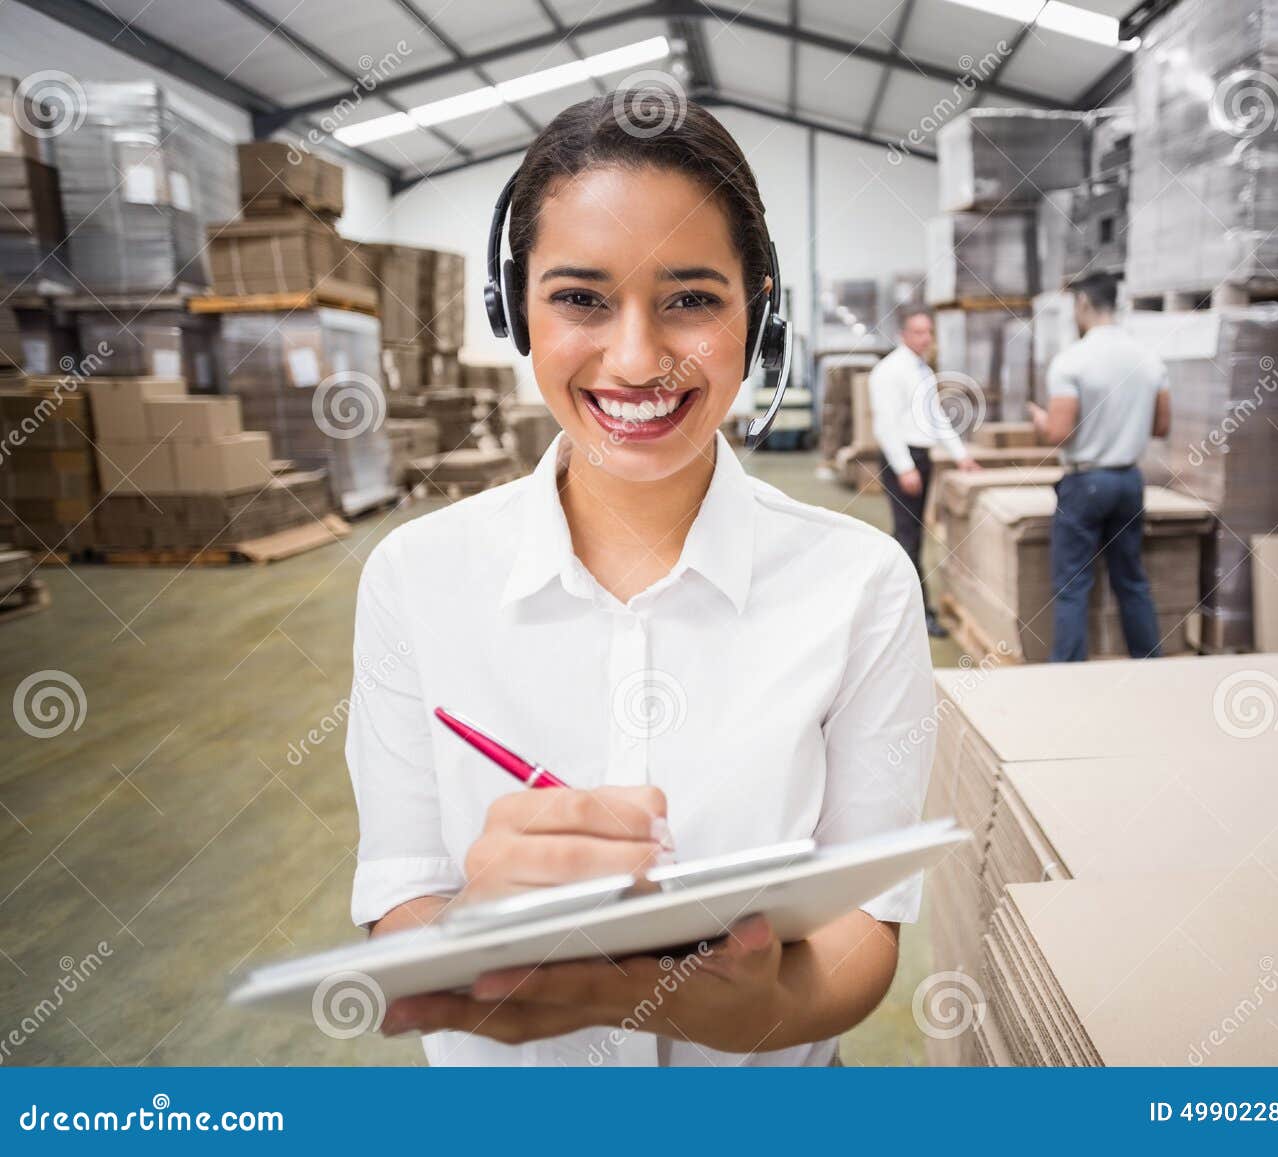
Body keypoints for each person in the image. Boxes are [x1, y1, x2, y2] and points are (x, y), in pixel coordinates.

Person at [345, 94, 934, 1067]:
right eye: (579, 298)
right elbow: (399, 893)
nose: (634, 358)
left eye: (691, 299)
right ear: (515, 311)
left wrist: (752, 1012)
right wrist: (461, 934)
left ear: (760, 316)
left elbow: (862, 921)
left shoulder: (860, 583)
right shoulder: (415, 578)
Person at [1027, 271, 1171, 662]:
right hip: (1128, 480)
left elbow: (1060, 432)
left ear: (1084, 304)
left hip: (1087, 482)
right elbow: (1161, 426)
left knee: (1073, 585)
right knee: (1132, 581)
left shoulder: (1072, 362)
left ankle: (1069, 675)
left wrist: (1041, 421)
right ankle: (1150, 663)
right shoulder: (1150, 359)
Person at [868, 309, 980, 638]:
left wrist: (961, 455)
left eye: (929, 332)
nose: (926, 338)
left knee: (911, 535)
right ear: (903, 334)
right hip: (904, 460)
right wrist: (904, 467)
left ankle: (902, 606)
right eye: (918, 332)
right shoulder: (889, 371)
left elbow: (937, 418)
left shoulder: (922, 370)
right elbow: (885, 425)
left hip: (922, 458)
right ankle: (916, 614)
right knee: (908, 539)